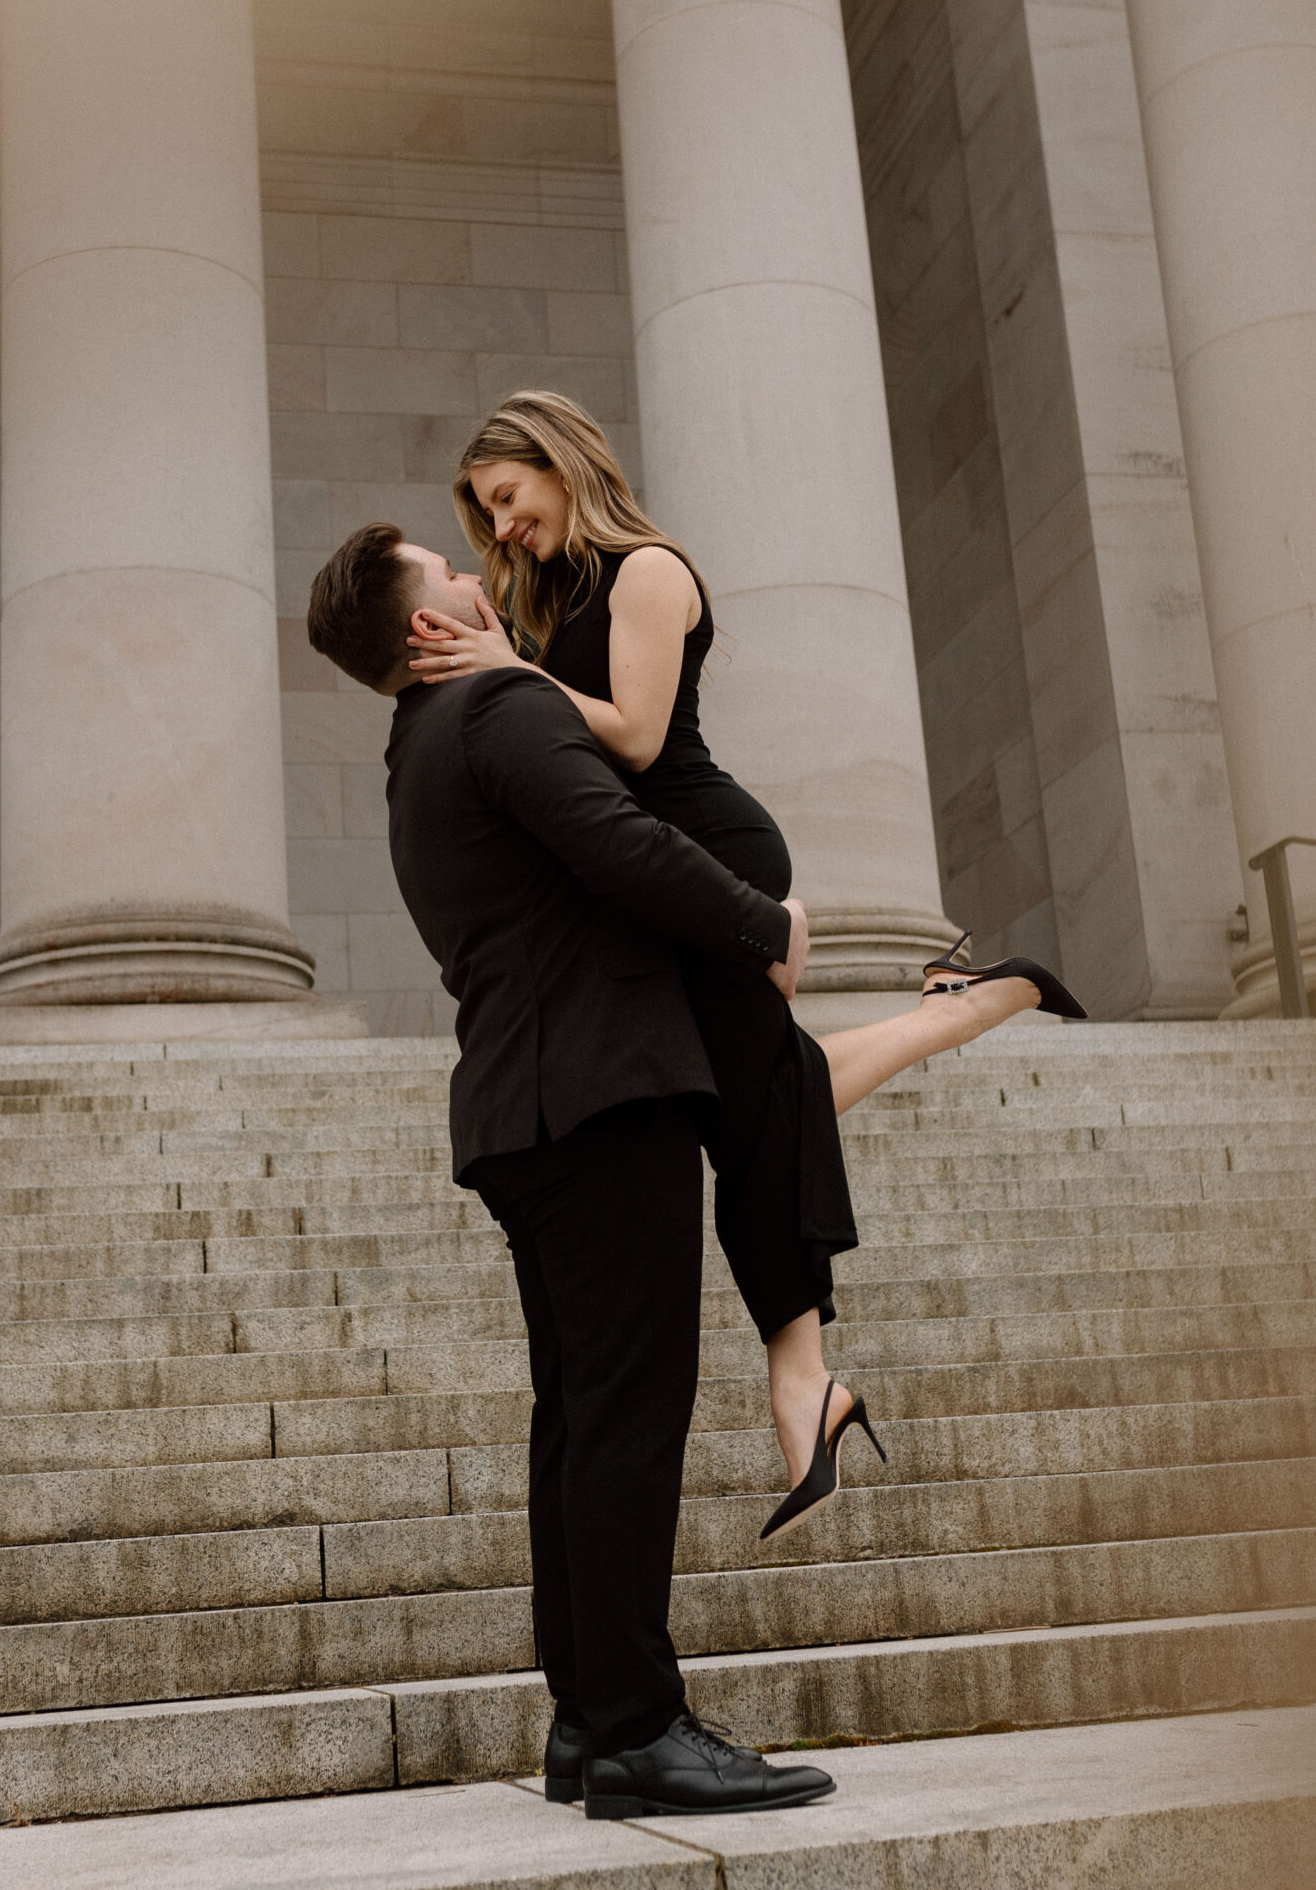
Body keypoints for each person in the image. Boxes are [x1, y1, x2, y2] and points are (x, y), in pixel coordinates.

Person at [406, 392, 1086, 1533]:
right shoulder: (547, 599)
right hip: (656, 879)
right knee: (756, 1094)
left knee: (756, 1102)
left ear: (560, 465)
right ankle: (952, 1018)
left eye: (508, 499)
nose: (502, 528)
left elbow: (630, 734)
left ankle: (806, 1381)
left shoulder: (650, 571)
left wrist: (503, 669)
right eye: (482, 516)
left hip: (710, 854)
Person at [305, 529, 837, 1818]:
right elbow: (616, 840)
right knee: (626, 1409)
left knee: (581, 1411)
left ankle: (586, 1720)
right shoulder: (493, 706)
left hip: (527, 1106)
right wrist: (764, 926)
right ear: (425, 627)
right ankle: (641, 1726)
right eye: (449, 573)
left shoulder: (414, 750)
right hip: (599, 1096)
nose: (477, 583)